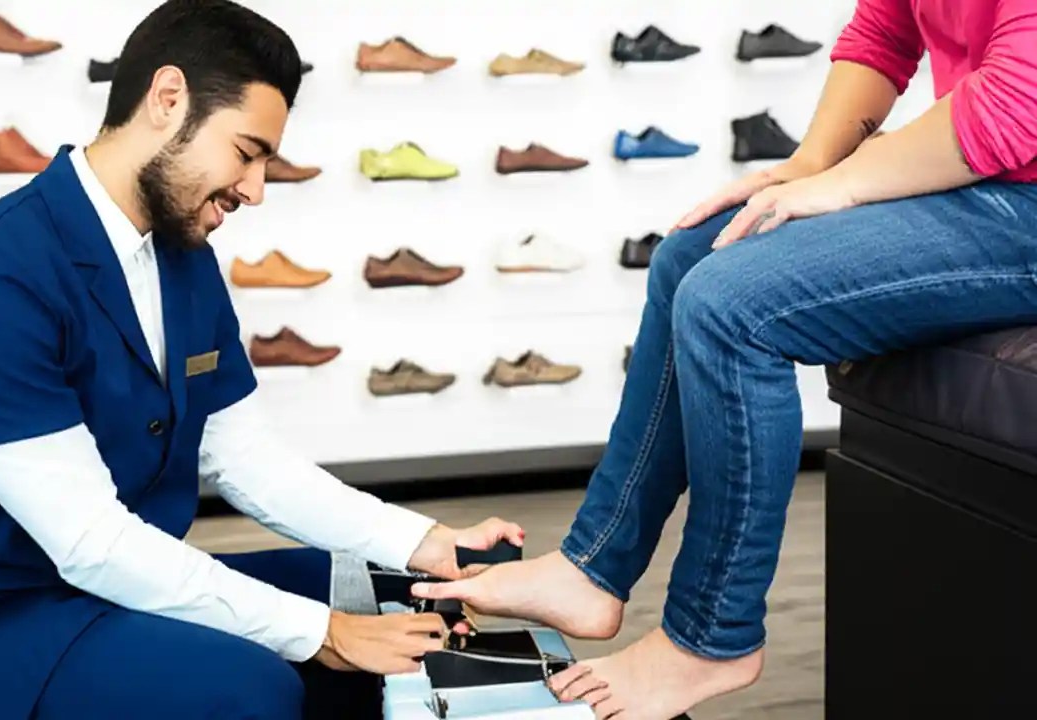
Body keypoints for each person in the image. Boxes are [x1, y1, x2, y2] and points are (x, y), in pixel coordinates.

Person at [0, 2, 524, 718]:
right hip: (6, 624)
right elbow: (88, 541)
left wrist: (425, 544)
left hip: (127, 587)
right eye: (247, 153)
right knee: (257, 687)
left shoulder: (183, 259)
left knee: (382, 593)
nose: (255, 189)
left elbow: (246, 458)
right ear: (168, 100)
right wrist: (322, 634)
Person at [413, 1, 1037, 718]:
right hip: (992, 178)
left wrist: (837, 185)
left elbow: (1014, 102)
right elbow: (884, 30)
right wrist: (806, 166)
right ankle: (594, 565)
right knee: (691, 253)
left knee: (729, 305)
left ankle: (713, 638)